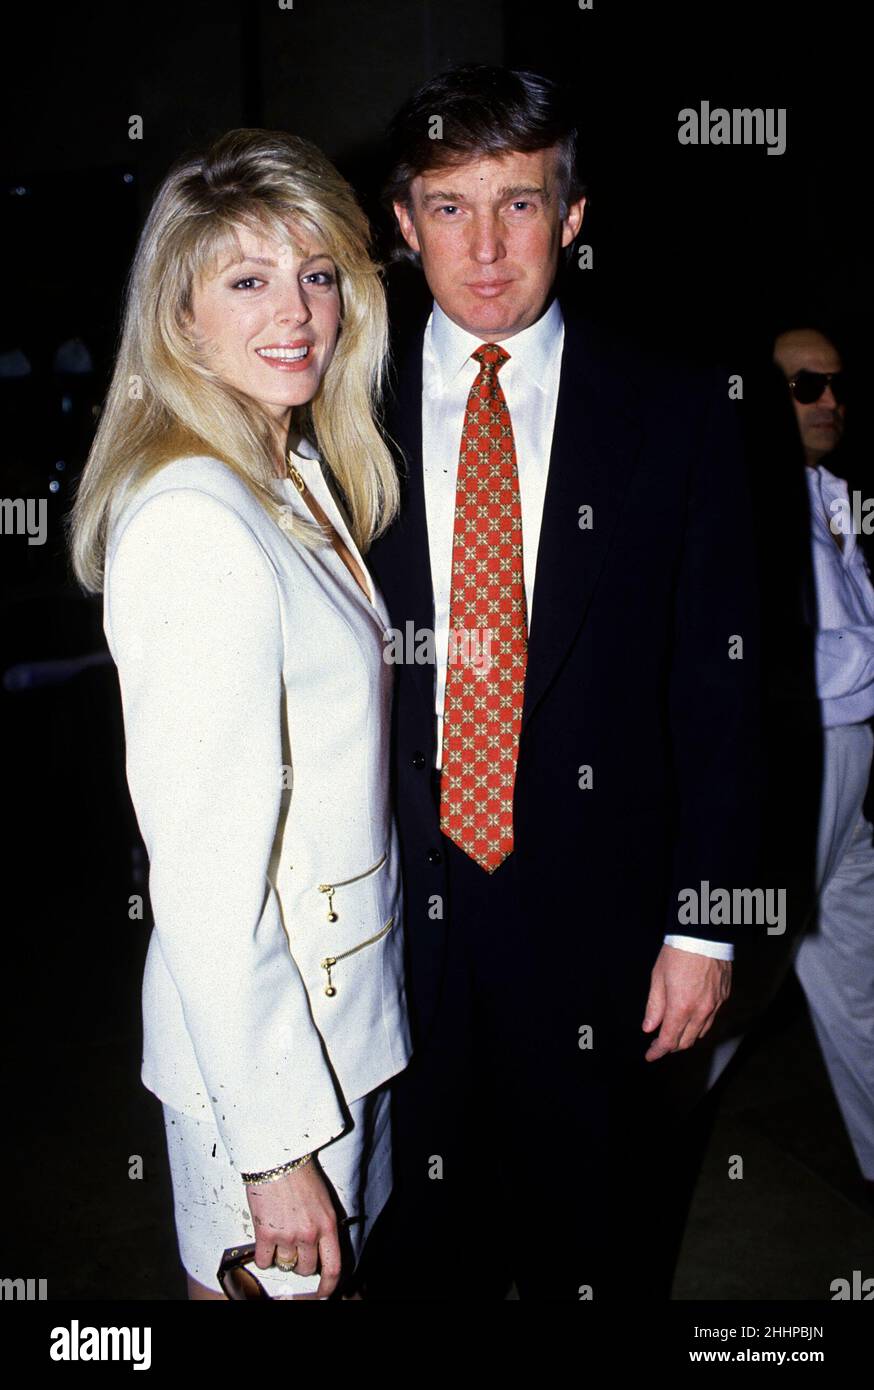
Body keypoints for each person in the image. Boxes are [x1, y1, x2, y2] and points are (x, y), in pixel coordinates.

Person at [359, 64, 763, 1301]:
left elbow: (725, 683)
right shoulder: (330, 406)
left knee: (600, 1240)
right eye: (448, 205)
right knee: (420, 1254)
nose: (484, 247)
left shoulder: (678, 408)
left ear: (573, 218)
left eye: (521, 204)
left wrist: (705, 924)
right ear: (399, 219)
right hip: (389, 925)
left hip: (606, 926)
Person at [67, 128, 411, 1299]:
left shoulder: (291, 468)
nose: (298, 311)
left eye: (320, 274)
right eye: (250, 280)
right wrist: (275, 1152)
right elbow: (207, 880)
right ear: (179, 317)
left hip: (339, 1031)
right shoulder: (195, 521)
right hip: (267, 1080)